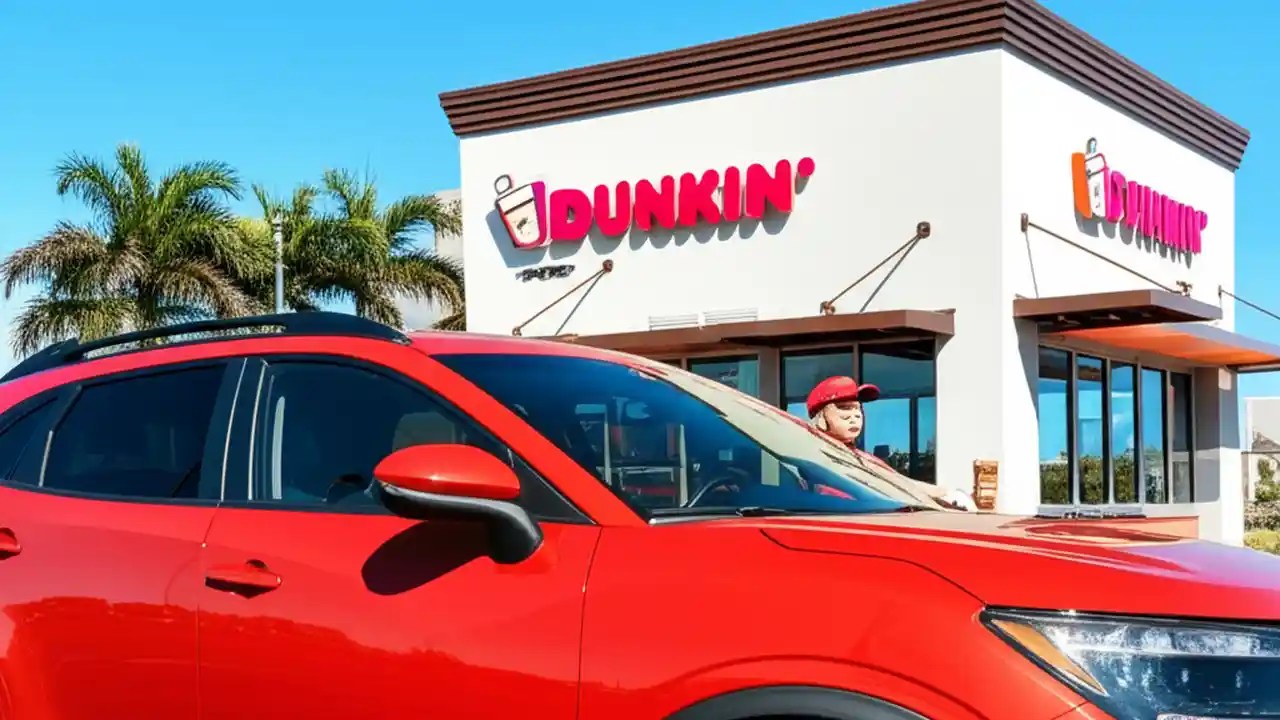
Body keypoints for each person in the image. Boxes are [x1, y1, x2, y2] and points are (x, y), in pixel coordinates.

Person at [805, 376, 976, 512]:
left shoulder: (863, 458)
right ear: (821, 417)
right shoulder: (819, 458)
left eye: (857, 408)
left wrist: (945, 494)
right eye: (844, 407)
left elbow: (898, 483)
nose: (855, 415)